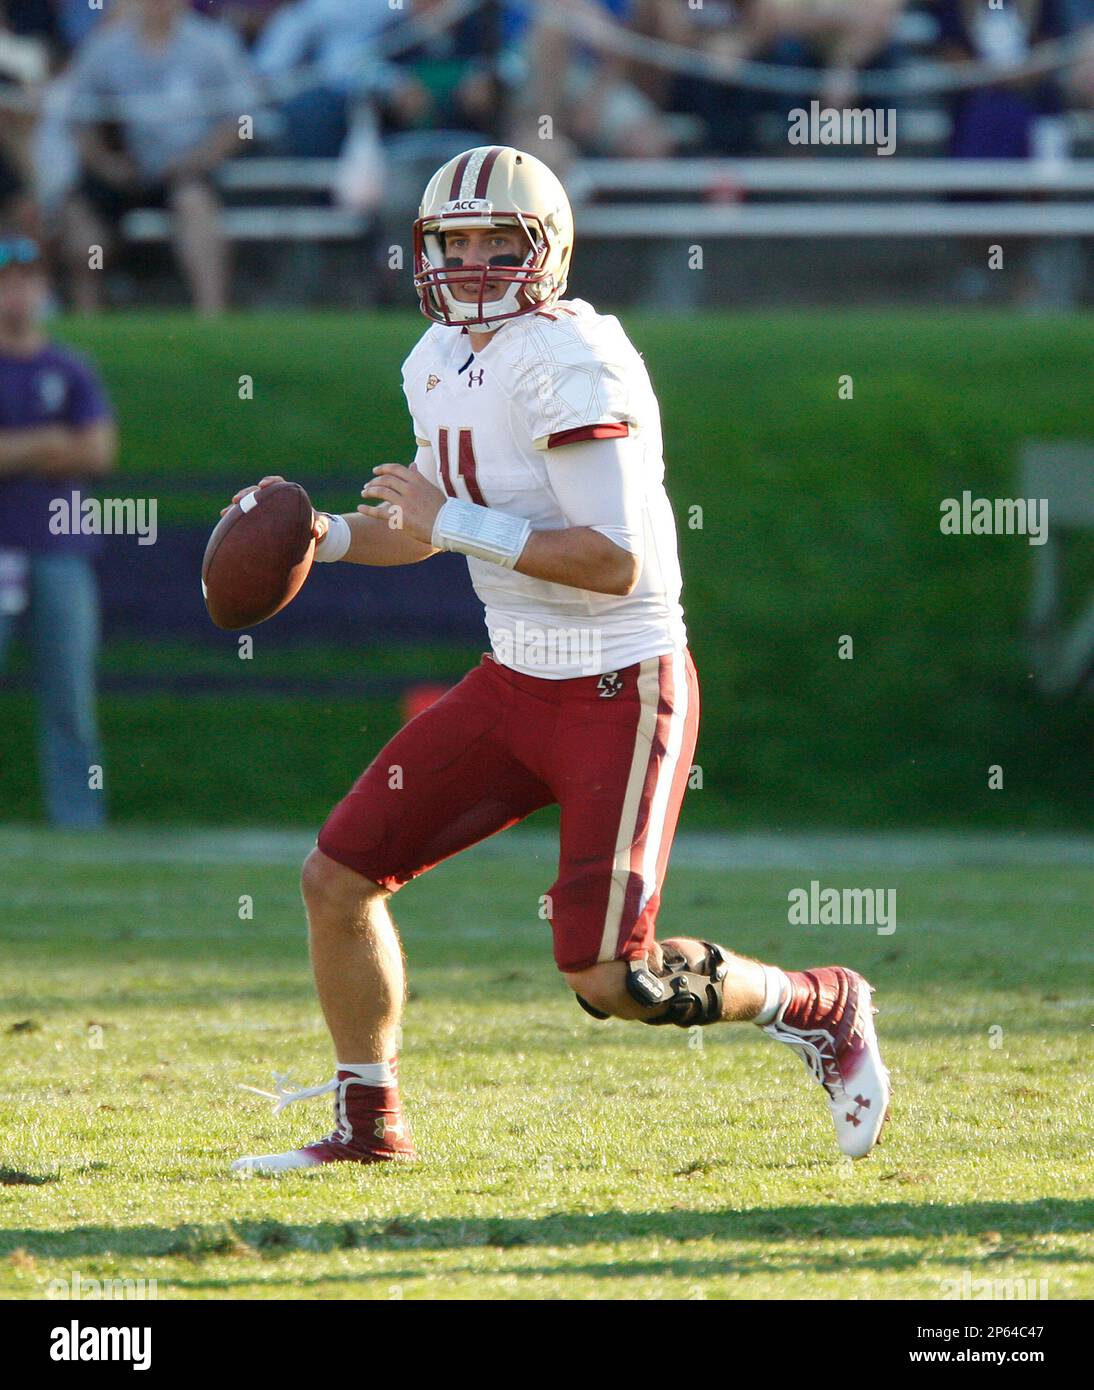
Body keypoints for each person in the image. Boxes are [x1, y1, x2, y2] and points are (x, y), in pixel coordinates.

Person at [227, 146, 891, 1173]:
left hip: (617, 685)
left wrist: (448, 517)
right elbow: (435, 525)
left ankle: (817, 1002)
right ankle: (369, 1123)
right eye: (455, 242)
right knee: (339, 874)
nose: (473, 263)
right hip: (511, 676)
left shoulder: (573, 360)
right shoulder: (435, 359)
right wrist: (333, 534)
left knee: (603, 974)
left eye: (500, 242)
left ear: (547, 250)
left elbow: (610, 561)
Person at [0, 234, 116, 827]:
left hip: (59, 550)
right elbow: (72, 446)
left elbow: (97, 452)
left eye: (28, 281)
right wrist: (50, 443)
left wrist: (22, 450)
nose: (17, 294)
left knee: (70, 696)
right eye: (7, 281)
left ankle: (78, 820)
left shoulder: (68, 367)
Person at [61, 0, 257, 314]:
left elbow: (244, 121)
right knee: (86, 234)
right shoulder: (105, 47)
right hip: (122, 172)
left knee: (194, 206)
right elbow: (78, 119)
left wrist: (200, 158)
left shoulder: (212, 44)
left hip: (187, 170)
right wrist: (106, 164)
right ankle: (89, 319)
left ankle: (211, 317)